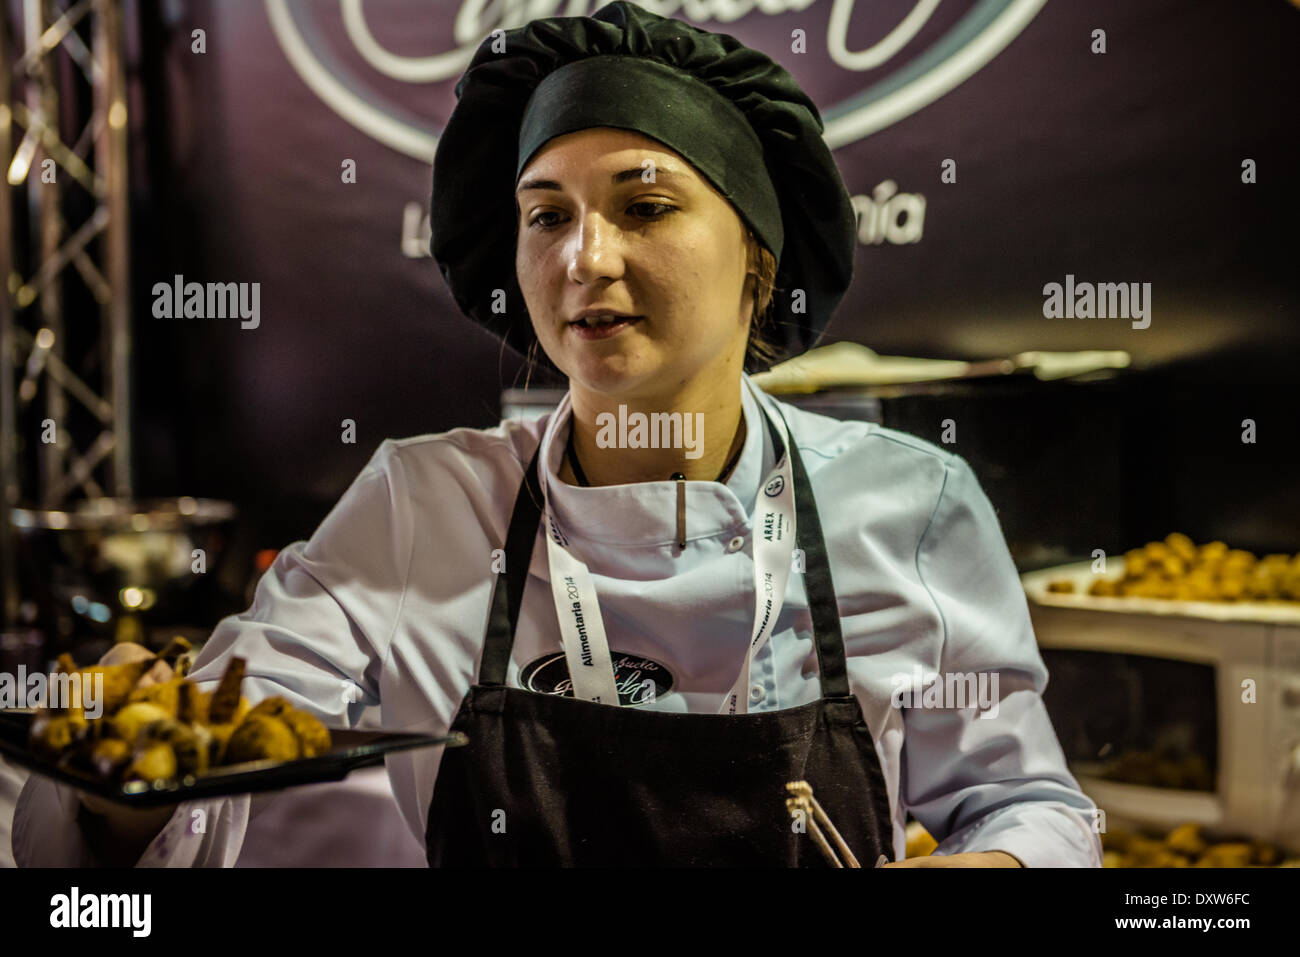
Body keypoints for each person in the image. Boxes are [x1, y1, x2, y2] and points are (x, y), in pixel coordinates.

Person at [13, 1, 1101, 867]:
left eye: (644, 206)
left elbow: (1030, 807)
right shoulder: (419, 506)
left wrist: (992, 865)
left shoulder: (909, 505)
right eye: (546, 215)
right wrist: (120, 793)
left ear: (757, 257)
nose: (584, 259)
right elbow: (221, 765)